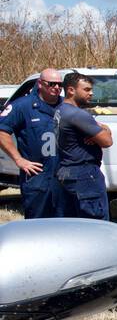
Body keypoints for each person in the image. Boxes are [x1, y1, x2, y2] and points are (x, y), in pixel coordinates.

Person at [0, 69, 64, 219]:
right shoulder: (22, 106)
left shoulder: (66, 105)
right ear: (40, 84)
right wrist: (19, 160)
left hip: (64, 177)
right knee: (37, 224)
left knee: (65, 224)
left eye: (60, 84)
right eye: (52, 84)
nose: (56, 87)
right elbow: (2, 132)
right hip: (38, 177)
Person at [55, 71, 112, 220]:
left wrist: (98, 130)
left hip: (66, 170)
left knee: (73, 223)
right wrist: (104, 129)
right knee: (95, 223)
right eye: (86, 89)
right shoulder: (77, 115)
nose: (91, 93)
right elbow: (107, 141)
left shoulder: (60, 110)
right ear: (71, 90)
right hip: (84, 174)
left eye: (91, 89)